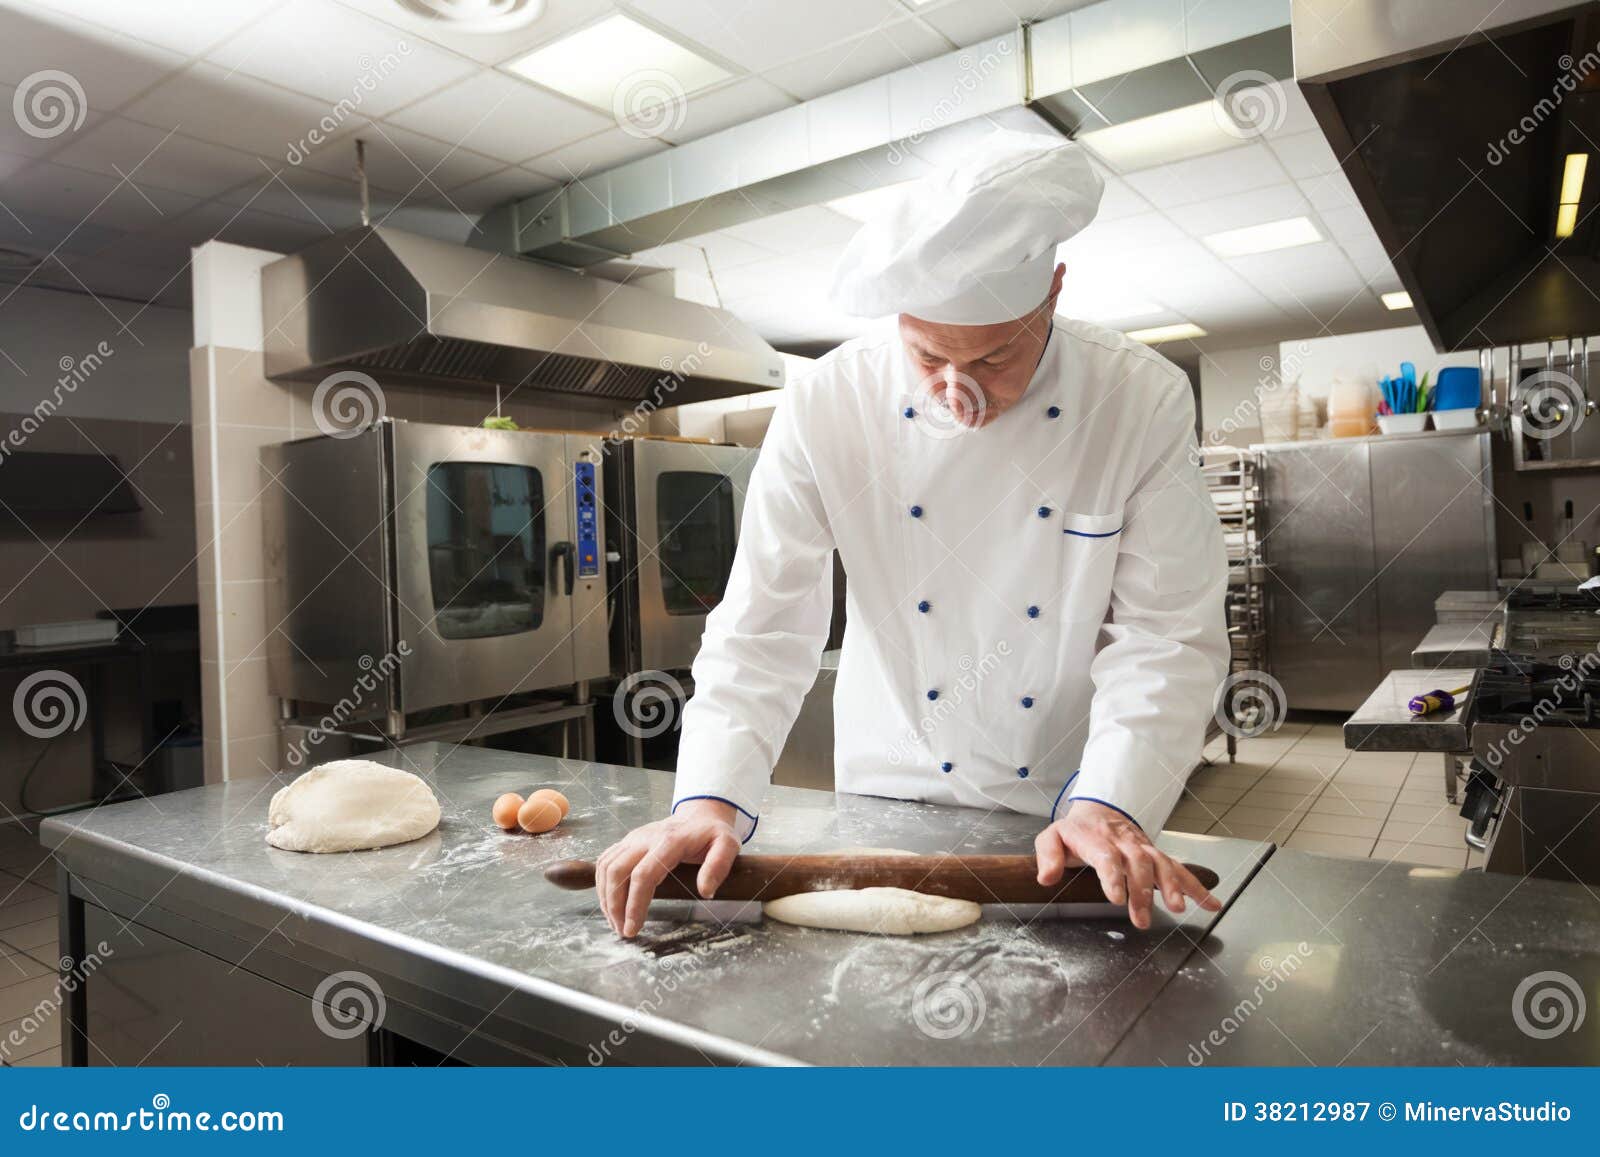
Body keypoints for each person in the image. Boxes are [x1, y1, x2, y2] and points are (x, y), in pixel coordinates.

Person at [597, 131, 1229, 937]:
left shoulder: (1138, 398)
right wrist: (708, 799)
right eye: (928, 354)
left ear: (1055, 291)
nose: (958, 390)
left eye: (996, 358)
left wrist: (1112, 799)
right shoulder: (828, 401)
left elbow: (1167, 634)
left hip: (1069, 809)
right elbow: (763, 623)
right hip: (885, 790)